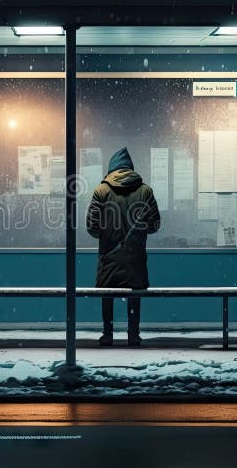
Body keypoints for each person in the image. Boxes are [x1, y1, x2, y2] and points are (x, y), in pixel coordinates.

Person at [86, 147, 161, 346]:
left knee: (107, 294)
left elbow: (91, 228)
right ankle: (133, 334)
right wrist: (137, 233)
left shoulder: (101, 191)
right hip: (135, 256)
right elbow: (155, 224)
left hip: (109, 255)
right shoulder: (145, 191)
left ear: (111, 169)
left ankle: (107, 334)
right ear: (130, 169)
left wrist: (108, 233)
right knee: (134, 295)